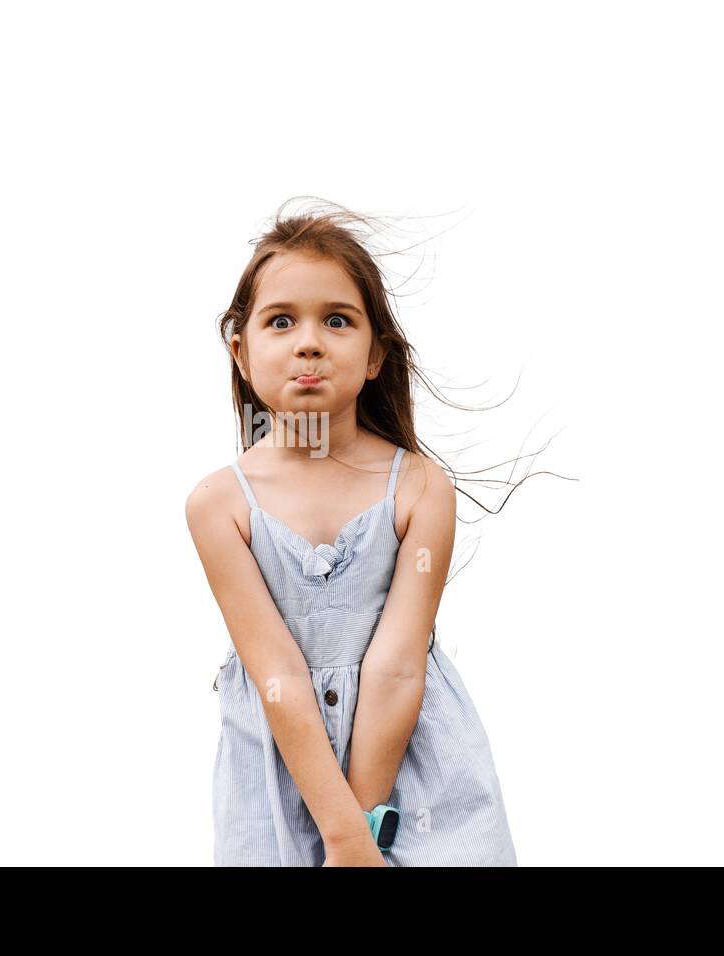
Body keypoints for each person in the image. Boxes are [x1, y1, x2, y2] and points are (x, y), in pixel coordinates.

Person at [185, 203, 518, 867]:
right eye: (282, 321)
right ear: (241, 350)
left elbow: (397, 666)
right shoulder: (220, 504)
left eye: (337, 320)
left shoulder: (419, 488)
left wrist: (360, 832)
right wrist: (339, 834)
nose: (309, 341)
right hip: (276, 779)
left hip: (412, 774)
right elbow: (274, 672)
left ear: (375, 356)